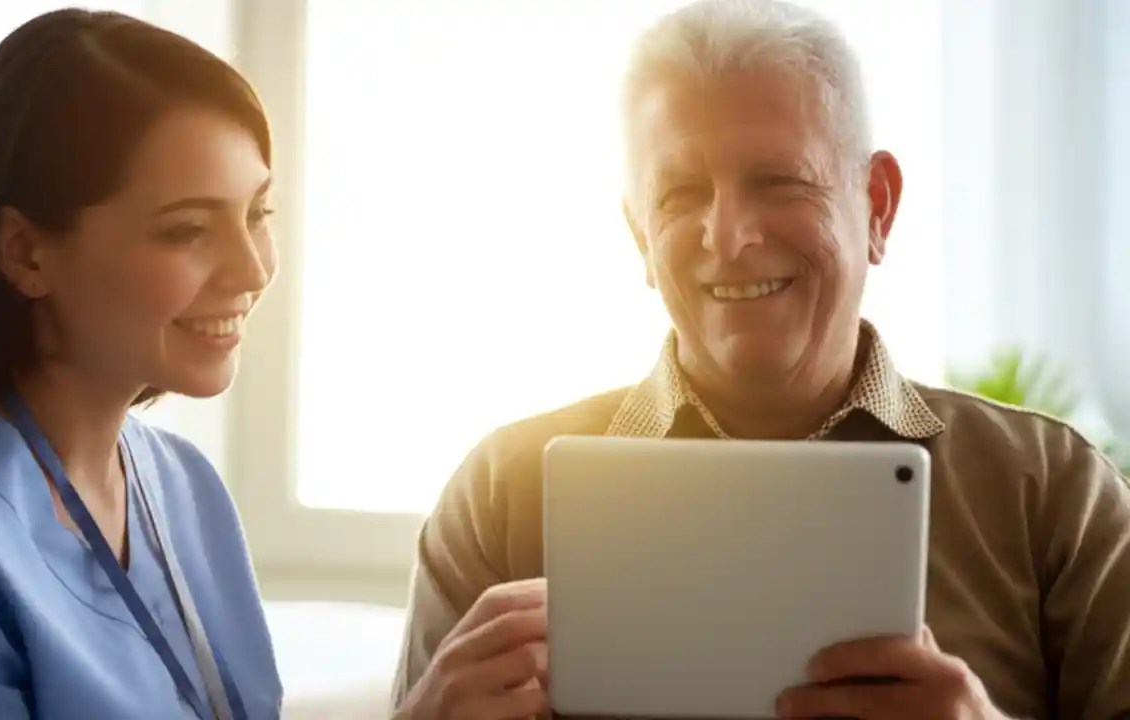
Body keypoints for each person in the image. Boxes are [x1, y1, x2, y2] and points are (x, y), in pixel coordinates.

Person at [390, 1, 1130, 718]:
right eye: (682, 194)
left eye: (778, 183)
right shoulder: (501, 498)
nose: (730, 235)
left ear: (877, 206)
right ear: (641, 236)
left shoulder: (1051, 494)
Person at [0, 9, 281, 718]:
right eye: (188, 231)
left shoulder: (186, 489)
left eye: (259, 214)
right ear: (26, 252)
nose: (252, 268)